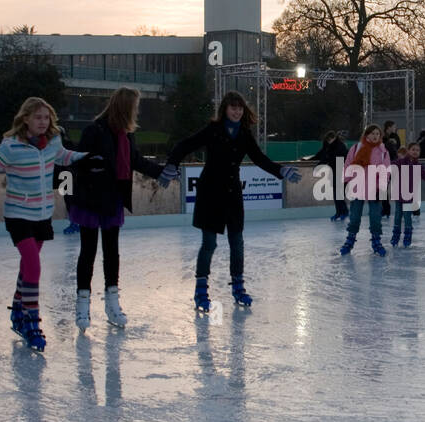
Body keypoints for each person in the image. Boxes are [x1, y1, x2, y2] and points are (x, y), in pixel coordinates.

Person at [0, 96, 96, 350]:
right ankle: (32, 321)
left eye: (46, 118)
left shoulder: (51, 143)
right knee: (33, 265)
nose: (43, 122)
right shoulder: (10, 147)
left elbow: (64, 156)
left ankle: (18, 312)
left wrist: (86, 157)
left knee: (27, 267)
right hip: (18, 215)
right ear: (25, 119)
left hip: (41, 215)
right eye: (38, 117)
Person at [160, 90, 301, 308]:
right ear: (224, 109)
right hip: (210, 193)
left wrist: (281, 171)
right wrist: (171, 165)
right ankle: (201, 290)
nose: (237, 111)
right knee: (209, 244)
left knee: (237, 243)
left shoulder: (244, 134)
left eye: (240, 107)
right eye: (233, 107)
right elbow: (184, 145)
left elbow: (260, 159)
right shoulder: (213, 129)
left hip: (233, 194)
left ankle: (238, 287)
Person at [68, 87, 167, 330]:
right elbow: (76, 162)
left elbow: (136, 161)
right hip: (91, 200)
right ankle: (82, 306)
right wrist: (91, 166)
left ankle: (112, 304)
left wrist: (162, 171)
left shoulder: (126, 135)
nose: (137, 110)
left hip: (112, 199)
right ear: (125, 107)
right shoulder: (94, 130)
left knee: (112, 252)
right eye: (134, 106)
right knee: (88, 252)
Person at [338, 124, 391, 256]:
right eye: (372, 133)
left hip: (375, 188)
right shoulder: (356, 148)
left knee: (375, 217)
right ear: (367, 135)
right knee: (355, 217)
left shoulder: (383, 151)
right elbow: (348, 165)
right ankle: (350, 240)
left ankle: (376, 241)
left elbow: (386, 171)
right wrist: (346, 181)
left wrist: (381, 187)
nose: (375, 136)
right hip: (358, 186)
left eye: (377, 134)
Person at [389, 141, 425, 246]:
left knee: (407, 216)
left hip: (409, 195)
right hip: (399, 193)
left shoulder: (418, 166)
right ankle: (396, 235)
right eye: (413, 149)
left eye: (417, 150)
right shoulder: (400, 162)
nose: (415, 152)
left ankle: (408, 236)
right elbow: (391, 167)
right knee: (398, 215)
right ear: (408, 151)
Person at [315, 130, 349, 220]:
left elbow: (334, 157)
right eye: (328, 140)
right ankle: (340, 212)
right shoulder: (329, 145)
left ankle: (343, 211)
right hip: (334, 170)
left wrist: (324, 162)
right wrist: (310, 159)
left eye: (330, 140)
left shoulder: (340, 146)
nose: (329, 141)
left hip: (341, 170)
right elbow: (323, 154)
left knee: (338, 193)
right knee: (336, 194)